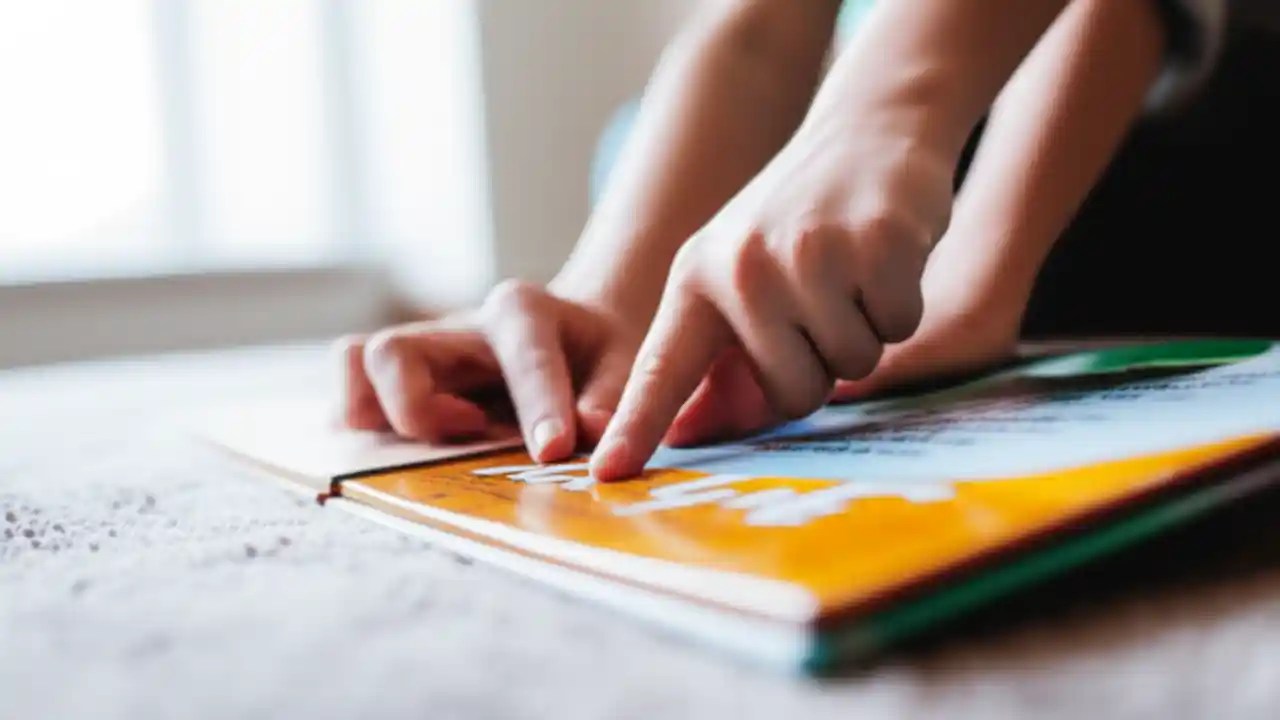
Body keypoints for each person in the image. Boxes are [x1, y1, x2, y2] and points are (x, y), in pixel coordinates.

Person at [337, 0, 1280, 481]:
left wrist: (975, 262)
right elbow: (757, 32)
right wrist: (608, 296)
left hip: (1160, 91)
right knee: (637, 144)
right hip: (921, 93)